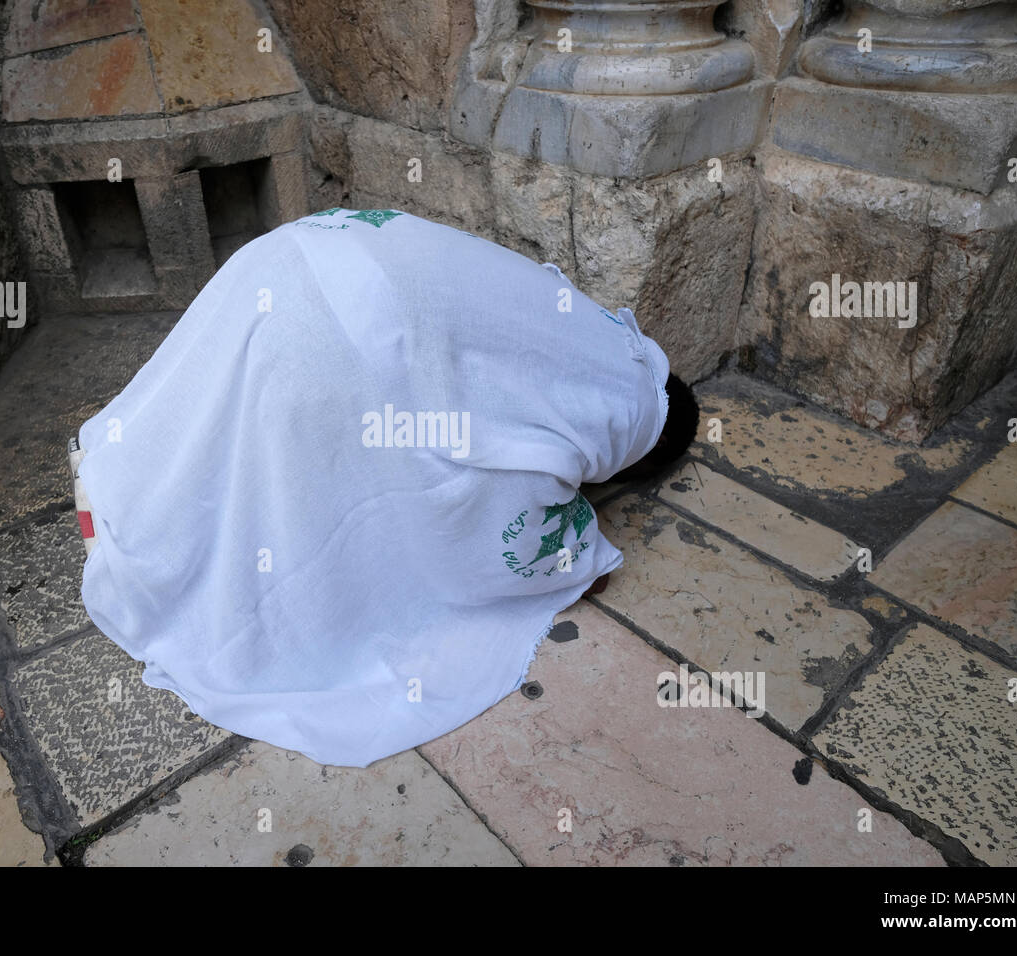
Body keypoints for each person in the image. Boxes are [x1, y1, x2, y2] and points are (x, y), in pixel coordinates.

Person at [71, 206, 697, 768]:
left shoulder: (581, 327)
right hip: (323, 336)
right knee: (287, 474)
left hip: (293, 252)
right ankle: (155, 568)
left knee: (213, 425)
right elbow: (520, 537)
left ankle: (124, 494)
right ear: (632, 459)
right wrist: (582, 552)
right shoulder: (596, 424)